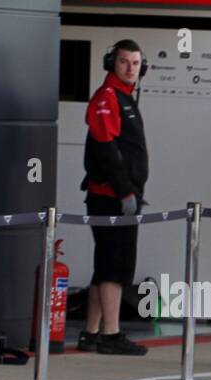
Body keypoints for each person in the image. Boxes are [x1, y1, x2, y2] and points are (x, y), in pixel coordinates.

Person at [79, 38, 149, 355]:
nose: (130, 68)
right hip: (110, 196)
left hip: (118, 195)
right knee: (115, 265)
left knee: (105, 263)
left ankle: (91, 332)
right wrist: (125, 192)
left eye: (135, 62)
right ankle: (111, 334)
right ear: (111, 63)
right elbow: (108, 151)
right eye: (124, 61)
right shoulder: (107, 98)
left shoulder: (124, 98)